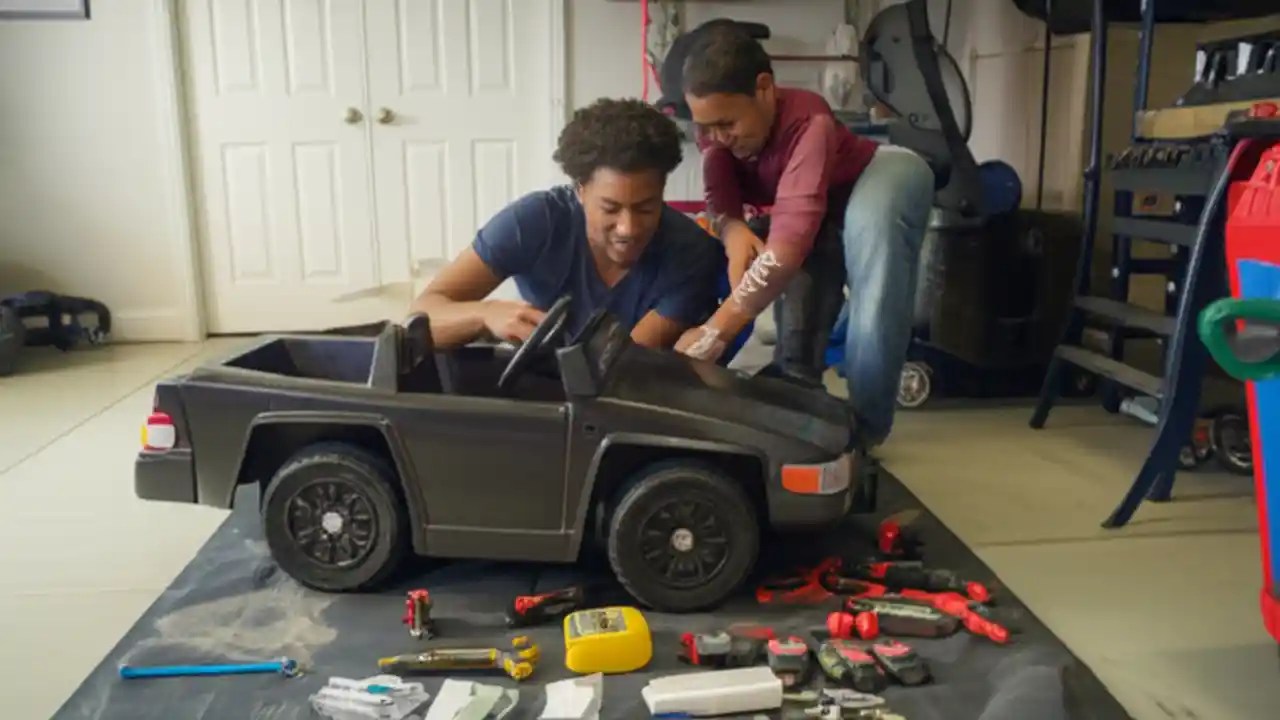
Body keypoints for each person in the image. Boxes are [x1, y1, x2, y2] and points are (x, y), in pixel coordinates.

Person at [673, 24, 935, 447]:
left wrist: (715, 331)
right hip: (821, 205)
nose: (717, 138)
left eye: (726, 123)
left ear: (764, 89)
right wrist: (733, 229)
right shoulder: (717, 134)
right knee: (789, 254)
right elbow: (721, 195)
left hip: (878, 173)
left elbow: (787, 247)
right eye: (707, 129)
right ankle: (800, 376)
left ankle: (863, 435)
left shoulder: (809, 119)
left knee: (876, 284)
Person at [412, 98, 721, 351]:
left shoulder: (690, 253)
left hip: (627, 394)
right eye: (610, 208)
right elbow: (419, 317)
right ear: (580, 191)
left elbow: (617, 368)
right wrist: (484, 314)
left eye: (645, 208)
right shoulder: (535, 222)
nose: (628, 228)